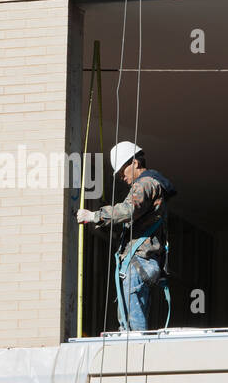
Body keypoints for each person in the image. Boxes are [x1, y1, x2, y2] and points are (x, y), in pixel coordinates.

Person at [76, 141, 177, 331]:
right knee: (128, 320)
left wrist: (94, 216)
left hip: (139, 261)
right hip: (144, 260)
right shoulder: (150, 185)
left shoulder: (145, 184)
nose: (122, 176)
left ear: (135, 163)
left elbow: (129, 210)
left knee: (133, 324)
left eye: (123, 170)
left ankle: (136, 354)